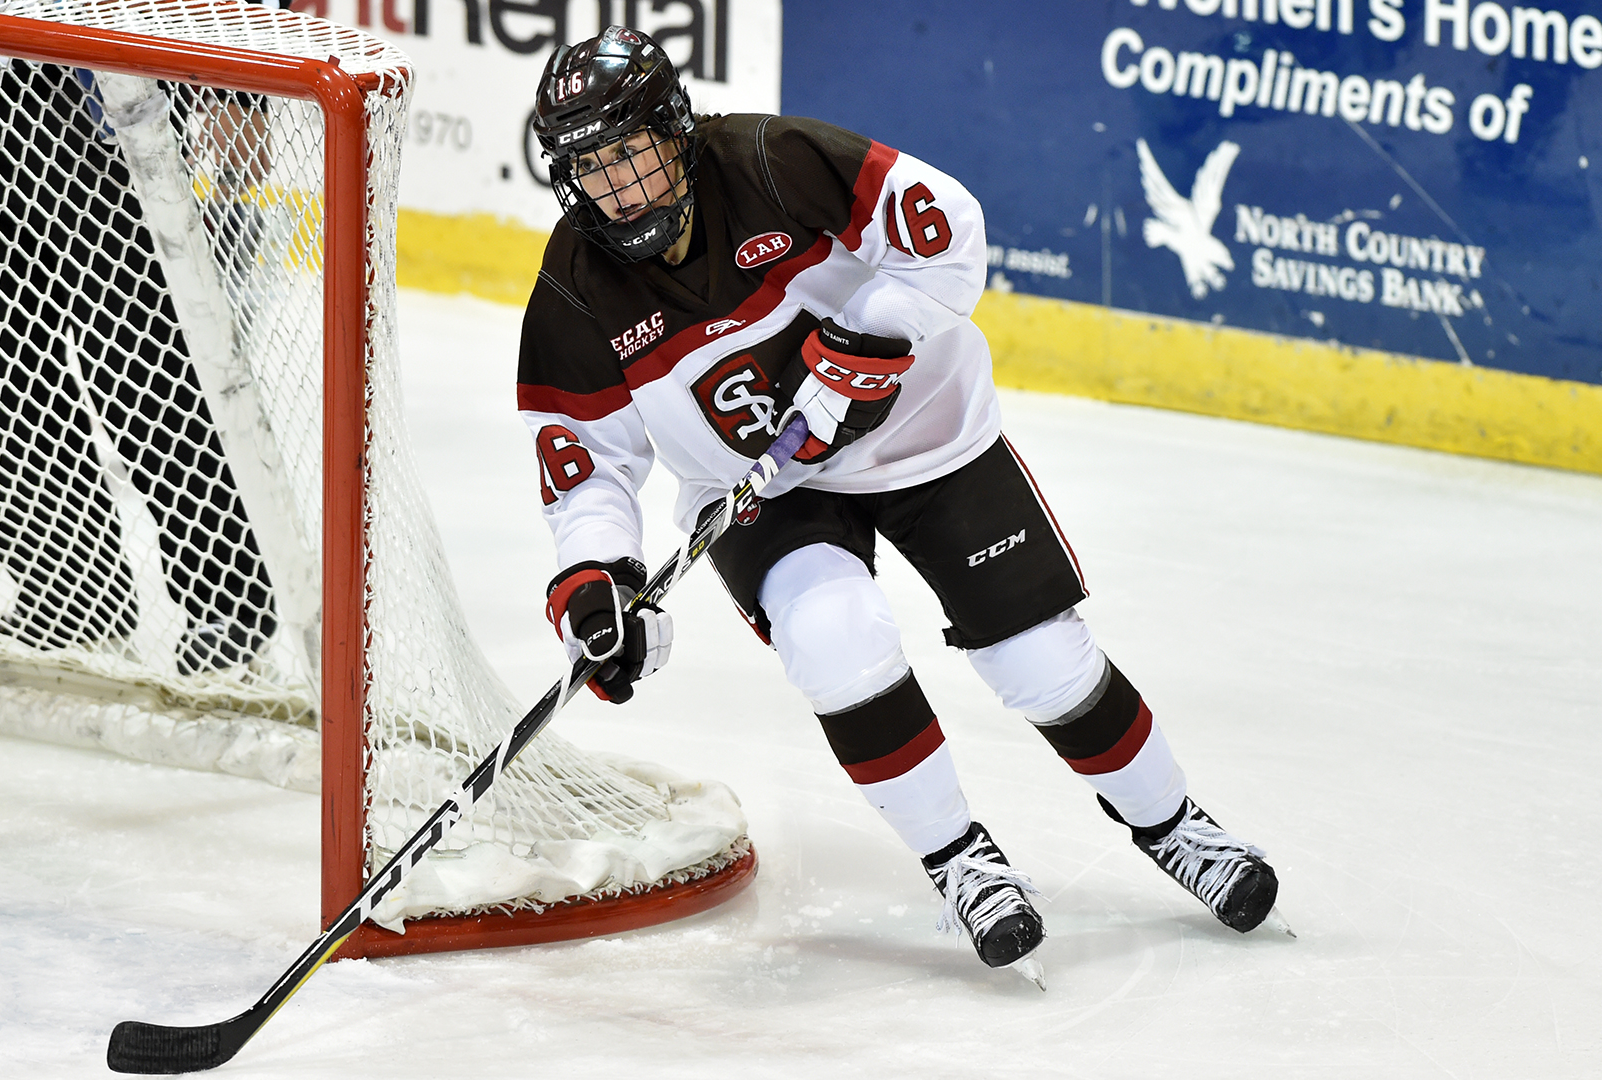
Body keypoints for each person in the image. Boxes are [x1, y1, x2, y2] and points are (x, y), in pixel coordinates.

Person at [519, 27, 1279, 977]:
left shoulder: (772, 159)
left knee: (1041, 662)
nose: (619, 187)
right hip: (764, 486)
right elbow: (584, 460)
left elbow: (947, 227)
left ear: (674, 131)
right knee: (835, 636)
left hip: (927, 435)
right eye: (592, 167)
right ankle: (962, 861)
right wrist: (595, 577)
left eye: (629, 152)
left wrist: (869, 336)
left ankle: (1175, 827)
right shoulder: (574, 293)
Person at [0, 48, 277, 672]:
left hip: (113, 91)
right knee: (3, 371)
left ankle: (227, 603)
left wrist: (239, 88)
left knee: (143, 363)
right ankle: (66, 594)